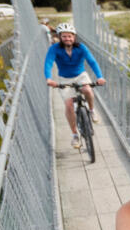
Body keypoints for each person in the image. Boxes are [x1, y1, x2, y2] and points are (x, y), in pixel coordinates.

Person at [44, 22, 105, 150]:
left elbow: (92, 62)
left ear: (74, 37)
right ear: (60, 37)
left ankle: (92, 111)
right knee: (69, 105)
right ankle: (74, 134)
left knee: (87, 89)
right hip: (64, 78)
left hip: (80, 75)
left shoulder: (81, 48)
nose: (67, 39)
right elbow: (48, 63)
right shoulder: (54, 49)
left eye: (70, 36)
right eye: (64, 36)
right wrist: (49, 79)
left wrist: (99, 77)